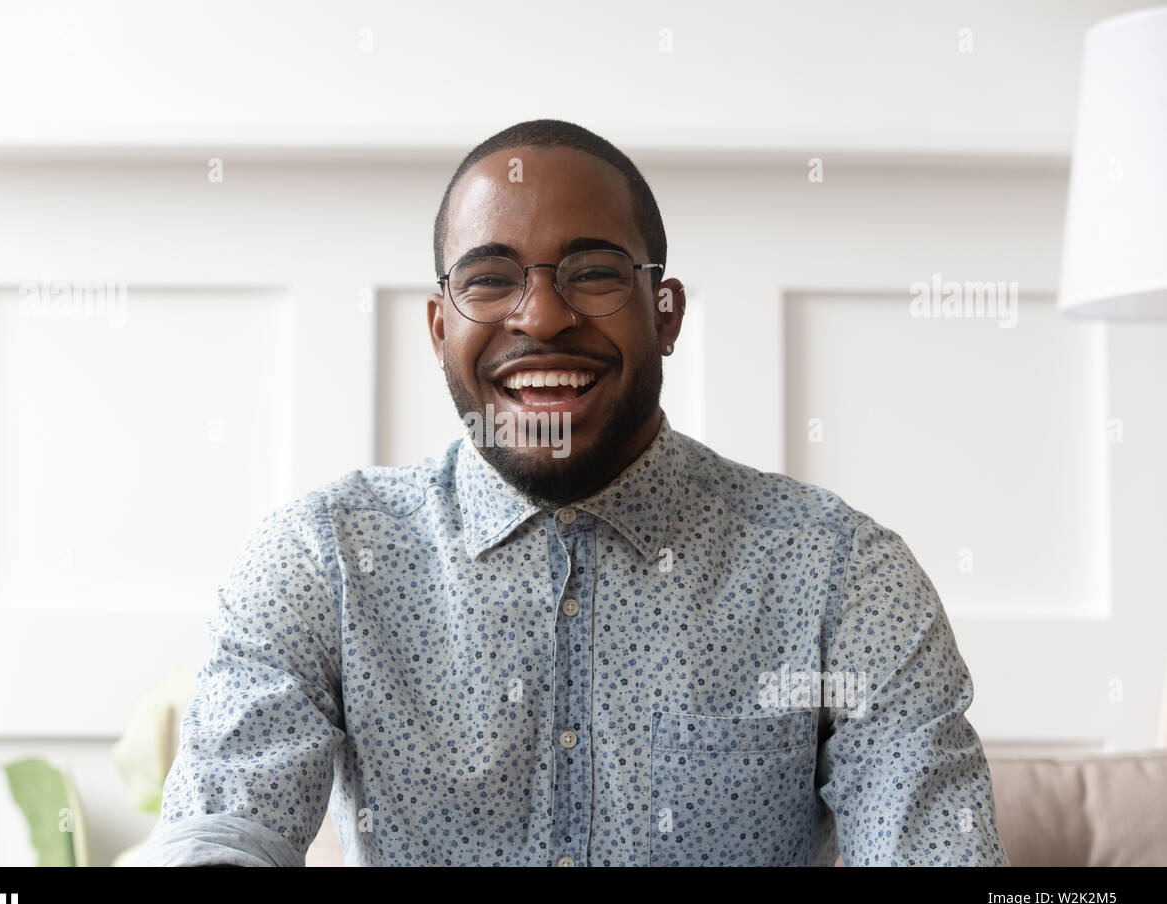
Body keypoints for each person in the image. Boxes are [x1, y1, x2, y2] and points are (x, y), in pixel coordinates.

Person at [140, 118, 1008, 866]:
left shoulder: (841, 574)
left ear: (663, 313)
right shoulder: (322, 558)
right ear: (441, 327)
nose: (543, 317)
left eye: (592, 273)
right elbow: (224, 827)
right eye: (489, 278)